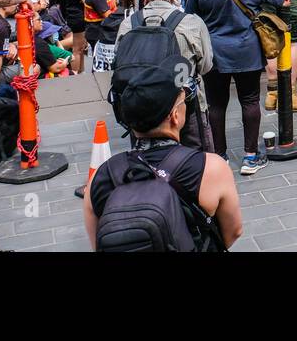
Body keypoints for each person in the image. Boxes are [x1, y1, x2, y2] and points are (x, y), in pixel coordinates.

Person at [84, 53, 242, 251]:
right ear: (175, 116)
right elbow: (233, 231)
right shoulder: (211, 167)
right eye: (183, 102)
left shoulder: (100, 177)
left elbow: (97, 244)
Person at [184, 0, 285, 173]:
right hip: (247, 49)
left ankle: (219, 156)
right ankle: (250, 156)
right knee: (249, 100)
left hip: (214, 53)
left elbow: (190, 13)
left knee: (216, 105)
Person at [116, 0, 216, 152]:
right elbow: (206, 66)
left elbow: (118, 62)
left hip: (140, 106)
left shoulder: (127, 24)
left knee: (145, 161)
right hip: (183, 105)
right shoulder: (191, 23)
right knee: (196, 160)